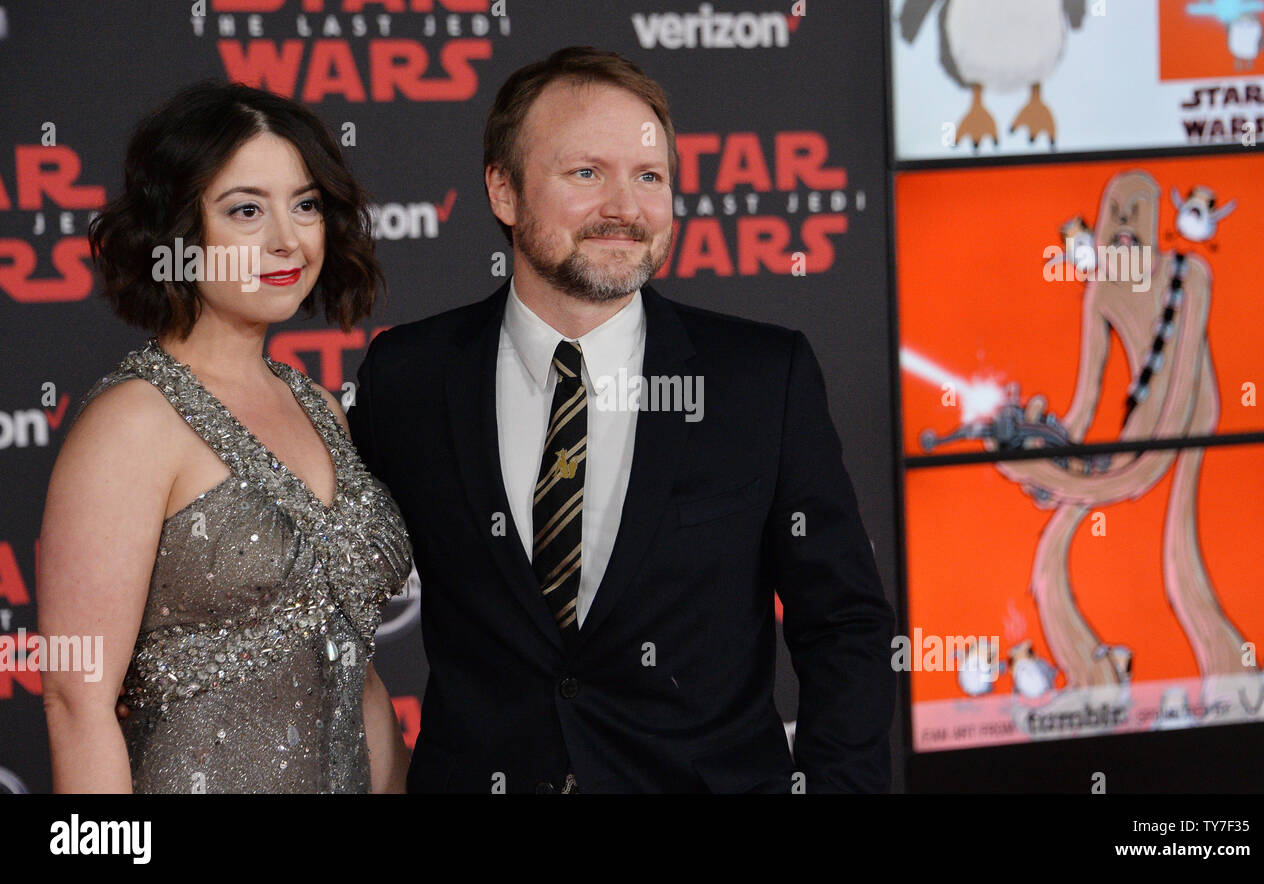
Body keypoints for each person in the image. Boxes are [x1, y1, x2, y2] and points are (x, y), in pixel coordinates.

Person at [349, 47, 895, 793]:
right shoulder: (407, 375)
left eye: (649, 176)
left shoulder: (761, 379)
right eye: (586, 173)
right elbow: (329, 608)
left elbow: (844, 628)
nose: (625, 208)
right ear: (503, 191)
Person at [38, 81, 413, 793]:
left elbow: (352, 664)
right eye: (246, 210)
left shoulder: (321, 410)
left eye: (305, 205)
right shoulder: (133, 423)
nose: (286, 239)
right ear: (177, 233)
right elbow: (75, 701)